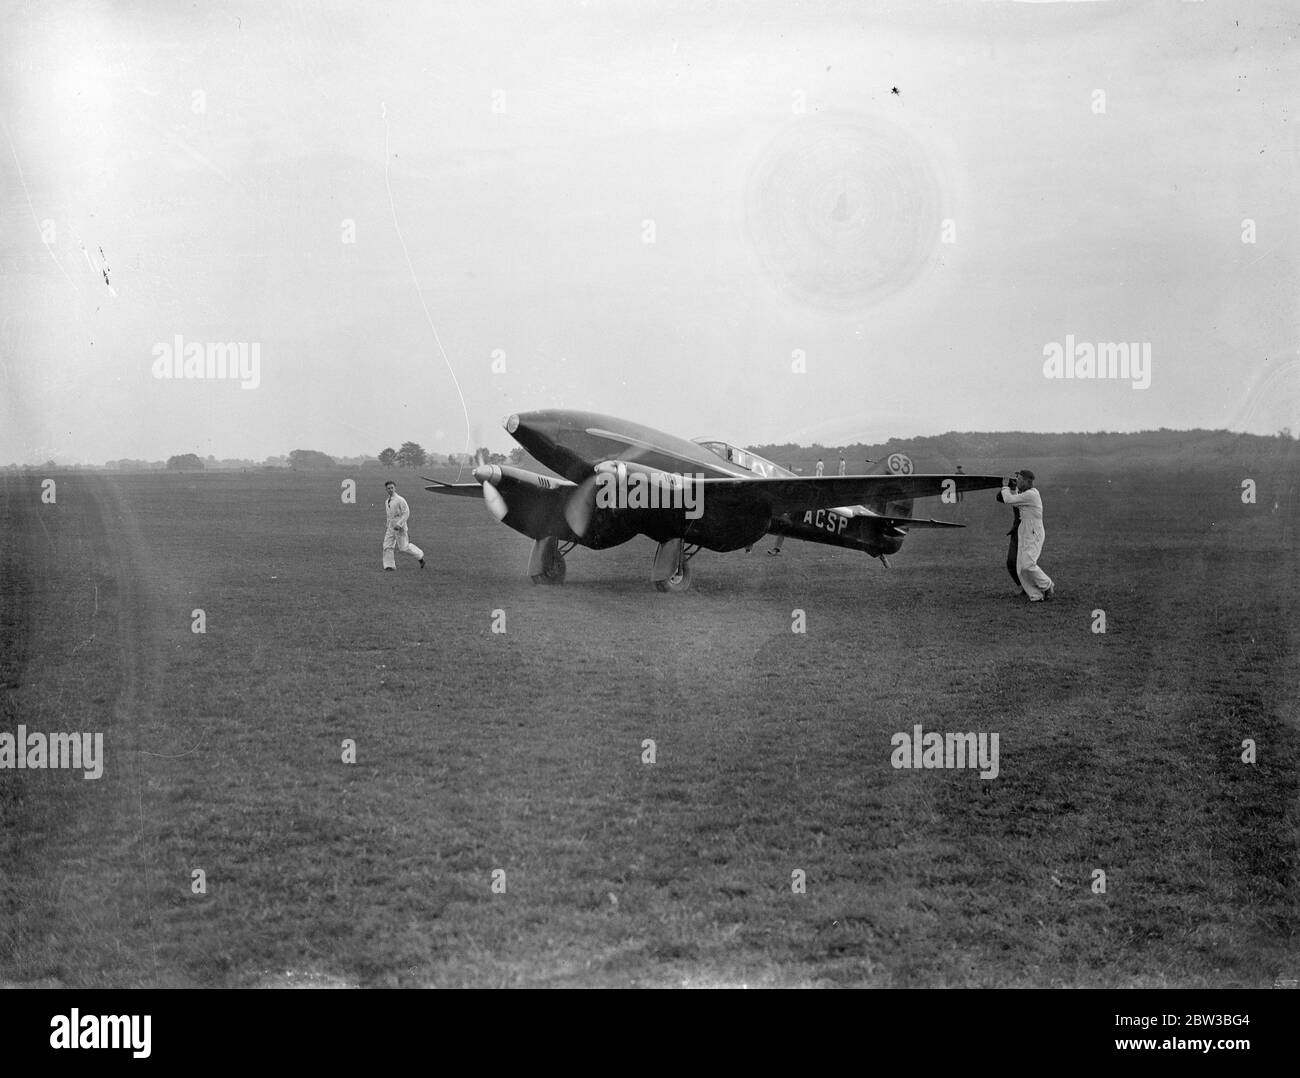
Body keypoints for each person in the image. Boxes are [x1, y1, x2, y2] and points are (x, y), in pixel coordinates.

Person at [997, 470, 1053, 601]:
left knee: (1027, 564)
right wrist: (1011, 488)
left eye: (1020, 479)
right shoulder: (1025, 494)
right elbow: (1011, 498)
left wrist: (1005, 486)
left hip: (1033, 530)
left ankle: (1047, 585)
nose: (1017, 481)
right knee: (1020, 567)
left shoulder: (1032, 494)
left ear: (1028, 481)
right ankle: (1035, 595)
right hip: (1024, 529)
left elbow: (1009, 499)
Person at [382, 480, 425, 571]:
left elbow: (406, 513)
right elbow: (389, 515)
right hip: (390, 527)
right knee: (387, 546)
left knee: (403, 547)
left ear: (395, 488)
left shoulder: (400, 500)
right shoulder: (387, 501)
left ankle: (420, 556)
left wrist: (399, 524)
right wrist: (388, 525)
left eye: (392, 488)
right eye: (388, 488)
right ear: (386, 489)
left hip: (399, 527)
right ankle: (389, 566)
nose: (390, 490)